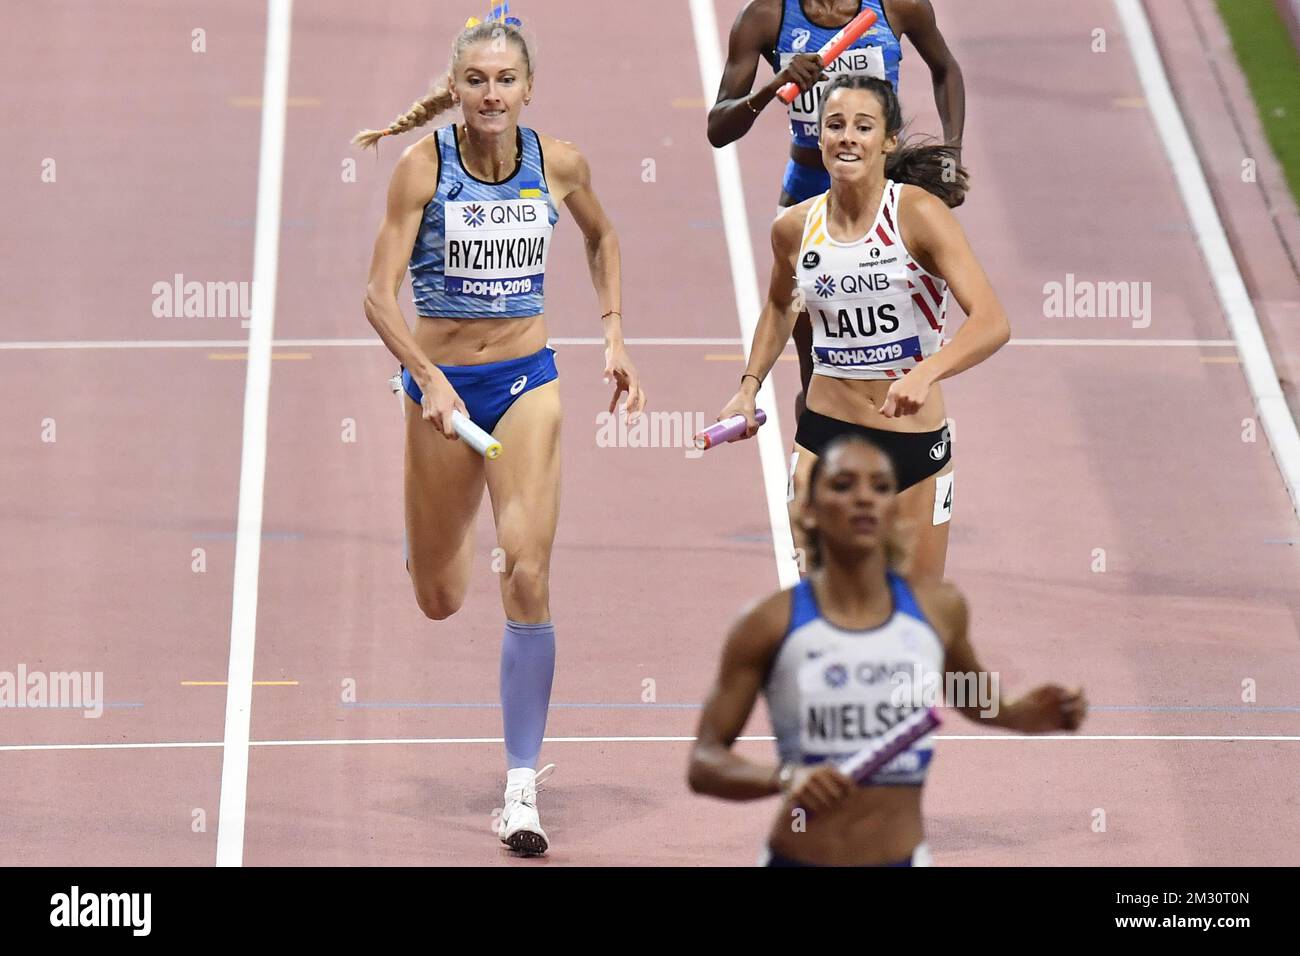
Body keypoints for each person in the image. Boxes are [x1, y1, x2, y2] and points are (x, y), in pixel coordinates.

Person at [354, 15, 645, 857]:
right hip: (442, 386)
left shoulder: (559, 164)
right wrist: (430, 379)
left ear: (527, 89)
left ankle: (520, 788)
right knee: (440, 599)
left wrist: (615, 333)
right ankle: (429, 540)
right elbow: (378, 297)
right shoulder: (422, 169)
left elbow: (603, 235)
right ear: (456, 88)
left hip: (526, 382)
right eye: (475, 80)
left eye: (504, 80)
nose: (490, 94)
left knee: (526, 569)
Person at [687, 434, 1087, 866]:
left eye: (880, 487)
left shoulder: (938, 610)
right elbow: (705, 762)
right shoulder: (768, 623)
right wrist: (783, 777)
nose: (864, 499)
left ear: (894, 509)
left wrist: (1029, 715)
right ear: (809, 509)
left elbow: (976, 701)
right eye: (843, 485)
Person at [716, 74, 1005, 583]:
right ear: (819, 136)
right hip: (825, 436)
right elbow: (781, 307)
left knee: (913, 621)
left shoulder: (918, 214)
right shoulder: (794, 228)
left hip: (914, 450)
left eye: (863, 126)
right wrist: (748, 388)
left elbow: (992, 322)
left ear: (887, 140)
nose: (847, 136)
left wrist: (925, 374)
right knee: (824, 613)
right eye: (835, 125)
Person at [708, 0, 966, 423]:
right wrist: (772, 87)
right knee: (814, 357)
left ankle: (903, 430)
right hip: (808, 191)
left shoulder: (898, 7)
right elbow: (718, 128)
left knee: (898, 328)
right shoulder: (765, 17)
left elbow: (946, 68)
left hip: (883, 191)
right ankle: (818, 440)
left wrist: (951, 151)